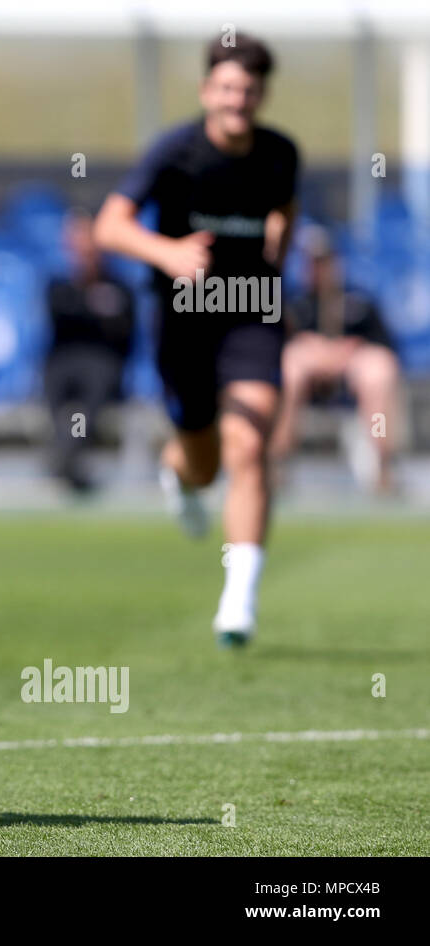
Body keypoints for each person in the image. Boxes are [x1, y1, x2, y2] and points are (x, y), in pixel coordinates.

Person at [94, 33, 299, 647]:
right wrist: (169, 252)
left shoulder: (281, 152)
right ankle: (178, 474)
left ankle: (239, 599)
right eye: (228, 88)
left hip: (252, 312)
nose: (238, 100)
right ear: (210, 90)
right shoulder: (174, 152)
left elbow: (284, 208)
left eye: (249, 91)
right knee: (205, 459)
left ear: (261, 95)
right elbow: (109, 224)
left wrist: (281, 243)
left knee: (249, 438)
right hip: (184, 317)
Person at [271, 226, 401, 493]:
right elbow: (273, 347)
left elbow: (386, 347)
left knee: (378, 371)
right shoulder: (294, 304)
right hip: (309, 376)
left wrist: (350, 349)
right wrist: (311, 348)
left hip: (352, 374)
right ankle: (277, 461)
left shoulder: (360, 301)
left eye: (324, 262)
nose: (319, 269)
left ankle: (381, 461)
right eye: (313, 263)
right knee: (289, 367)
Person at [43, 209, 135, 492]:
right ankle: (68, 458)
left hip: (102, 362)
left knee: (95, 386)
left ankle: (65, 458)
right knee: (55, 384)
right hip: (64, 360)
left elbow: (124, 330)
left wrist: (86, 308)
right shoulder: (58, 286)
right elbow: (61, 317)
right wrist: (94, 306)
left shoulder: (121, 287)